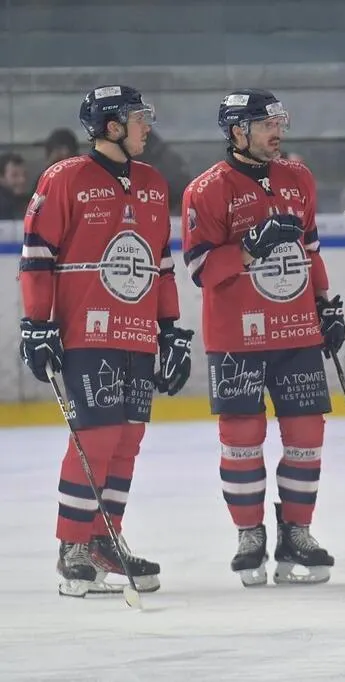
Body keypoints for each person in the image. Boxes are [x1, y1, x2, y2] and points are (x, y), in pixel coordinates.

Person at [19, 85, 193, 597]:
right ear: (112, 125)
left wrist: (170, 328)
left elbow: (160, 263)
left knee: (127, 440)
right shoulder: (65, 177)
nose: (147, 127)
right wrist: (36, 322)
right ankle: (72, 544)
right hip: (86, 328)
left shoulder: (154, 183)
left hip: (137, 332)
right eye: (139, 118)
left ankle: (103, 538)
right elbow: (36, 254)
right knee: (94, 435)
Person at [180, 89, 345, 587]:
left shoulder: (298, 178)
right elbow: (201, 269)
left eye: (281, 121)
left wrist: (325, 303)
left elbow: (311, 249)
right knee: (241, 440)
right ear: (237, 131)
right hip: (237, 337)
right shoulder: (206, 189)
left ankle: (296, 531)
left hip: (296, 330)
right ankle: (249, 533)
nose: (278, 131)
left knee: (305, 437)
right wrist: (251, 247)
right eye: (267, 123)